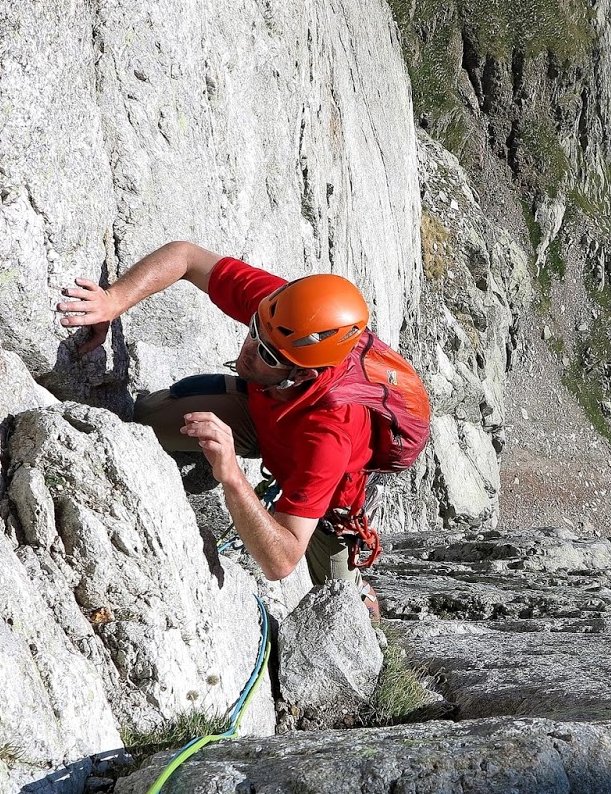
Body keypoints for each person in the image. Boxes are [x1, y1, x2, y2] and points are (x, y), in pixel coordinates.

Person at [56, 241, 380, 594]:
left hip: (325, 491)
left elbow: (281, 562)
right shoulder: (284, 317)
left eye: (268, 355)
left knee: (338, 595)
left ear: (303, 375)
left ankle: (363, 598)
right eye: (254, 329)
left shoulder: (327, 437)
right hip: (265, 413)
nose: (249, 349)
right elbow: (185, 256)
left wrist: (232, 476)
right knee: (147, 418)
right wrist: (114, 300)